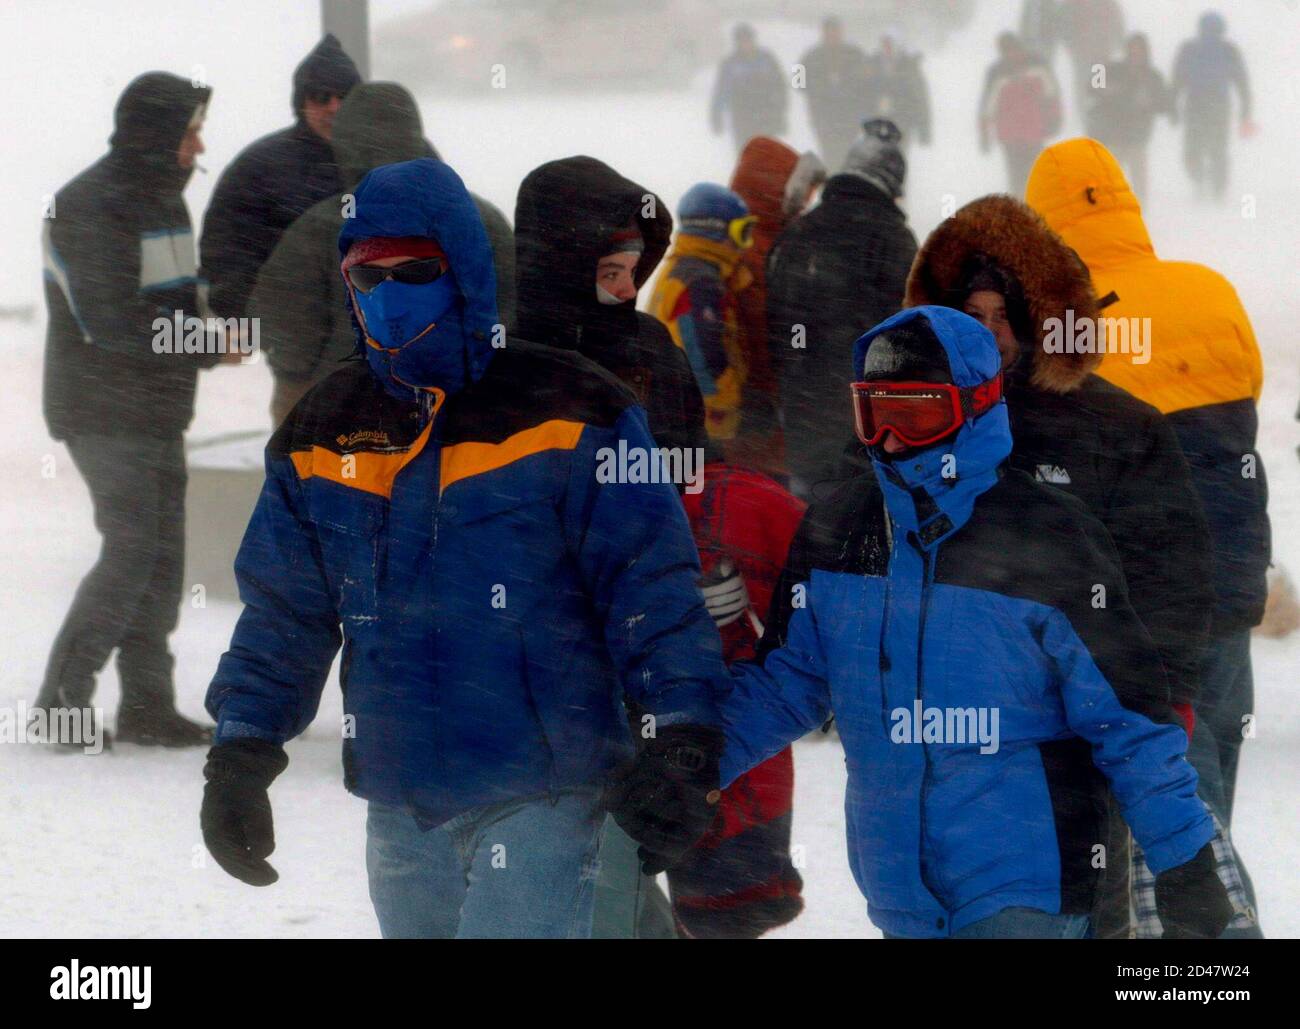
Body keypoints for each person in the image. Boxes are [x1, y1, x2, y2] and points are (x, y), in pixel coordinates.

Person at [200, 158, 729, 939]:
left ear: (461, 269)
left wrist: (682, 735)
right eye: (365, 273)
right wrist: (242, 751)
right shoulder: (326, 429)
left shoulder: (570, 407)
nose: (385, 291)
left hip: (549, 786)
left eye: (412, 269)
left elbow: (650, 585)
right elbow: (285, 612)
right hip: (400, 796)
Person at [718, 305, 1233, 939]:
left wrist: (1182, 855)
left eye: (917, 414)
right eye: (875, 414)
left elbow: (1126, 718)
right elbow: (786, 681)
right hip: (899, 885)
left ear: (975, 407)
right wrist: (687, 768)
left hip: (1028, 885)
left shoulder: (1049, 538)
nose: (893, 441)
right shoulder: (837, 529)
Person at [894, 193, 1216, 937]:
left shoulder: (1117, 429)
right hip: (935, 739)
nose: (991, 335)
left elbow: (1173, 574)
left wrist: (1168, 699)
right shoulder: (906, 429)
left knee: (1089, 911)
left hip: (1079, 742)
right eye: (971, 315)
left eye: (1006, 316)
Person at [1028, 137, 1269, 937]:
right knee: (1208, 809)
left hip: (1142, 621)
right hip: (1231, 600)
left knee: (1182, 851)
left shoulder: (1071, 330)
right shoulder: (1212, 292)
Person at [35, 72, 223, 748]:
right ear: (157, 133)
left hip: (158, 409)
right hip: (102, 411)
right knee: (132, 547)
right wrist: (206, 342)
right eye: (189, 129)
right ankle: (60, 705)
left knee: (161, 557)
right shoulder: (88, 204)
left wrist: (215, 328)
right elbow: (113, 321)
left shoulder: (167, 202)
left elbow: (179, 303)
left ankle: (147, 703)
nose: (199, 143)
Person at [247, 82, 514, 427]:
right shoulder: (480, 219)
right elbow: (508, 313)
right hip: (463, 409)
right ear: (415, 136)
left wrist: (298, 377)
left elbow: (287, 326)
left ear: (344, 146)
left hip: (348, 416)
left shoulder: (323, 225)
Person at [670, 461, 807, 938]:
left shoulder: (742, 500)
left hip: (730, 750)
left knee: (722, 910)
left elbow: (831, 629)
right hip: (609, 741)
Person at [513, 156, 704, 458]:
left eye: (633, 270)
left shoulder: (654, 345)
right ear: (564, 273)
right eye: (611, 274)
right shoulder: (508, 361)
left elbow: (694, 454)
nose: (630, 289)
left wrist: (718, 483)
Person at [765, 119, 917, 498]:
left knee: (814, 523)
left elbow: (777, 333)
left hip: (802, 418)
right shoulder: (893, 239)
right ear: (892, 186)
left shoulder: (796, 234)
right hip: (870, 425)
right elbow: (908, 334)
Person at [200, 34, 361, 320]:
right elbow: (227, 251)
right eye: (321, 96)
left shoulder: (394, 156)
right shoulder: (260, 166)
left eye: (344, 95)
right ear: (301, 102)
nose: (334, 106)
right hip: (300, 332)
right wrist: (255, 318)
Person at [726, 137, 825, 477]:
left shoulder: (767, 244)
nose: (804, 206)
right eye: (799, 196)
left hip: (764, 405)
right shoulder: (753, 252)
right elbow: (763, 327)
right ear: (772, 193)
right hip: (756, 407)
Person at [648, 183, 757, 443]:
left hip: (681, 415)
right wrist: (739, 406)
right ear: (714, 231)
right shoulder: (699, 284)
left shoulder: (682, 268)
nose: (746, 244)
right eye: (742, 232)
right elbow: (702, 363)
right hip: (706, 428)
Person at [1171, 11, 1253, 202]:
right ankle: (1217, 190)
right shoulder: (1229, 50)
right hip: (1219, 105)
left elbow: (1177, 79)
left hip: (1196, 104)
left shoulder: (1189, 49)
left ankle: (1201, 183)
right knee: (1217, 150)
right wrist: (1245, 113)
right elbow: (1242, 83)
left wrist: (1172, 107)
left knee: (1194, 149)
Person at [1084, 33, 1174, 200]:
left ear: (1146, 52)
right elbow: (1092, 89)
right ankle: (1108, 207)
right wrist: (1100, 68)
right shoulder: (1112, 69)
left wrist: (1151, 102)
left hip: (1139, 135)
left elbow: (1165, 104)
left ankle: (1139, 210)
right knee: (1109, 176)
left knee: (1138, 177)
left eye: (1139, 50)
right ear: (1127, 51)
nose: (1136, 54)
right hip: (1114, 133)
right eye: (1132, 49)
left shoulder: (1153, 76)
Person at [977, 32, 1062, 195]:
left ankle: (1033, 207)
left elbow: (1052, 96)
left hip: (1034, 130)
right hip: (1011, 135)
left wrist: (1055, 119)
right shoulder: (997, 73)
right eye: (1006, 51)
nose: (1010, 55)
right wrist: (984, 134)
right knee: (1017, 176)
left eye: (1012, 50)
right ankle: (1022, 208)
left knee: (1036, 174)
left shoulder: (1037, 66)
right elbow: (987, 107)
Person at [797, 16, 871, 172]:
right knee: (829, 154)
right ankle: (833, 185)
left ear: (841, 32)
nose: (832, 34)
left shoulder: (855, 54)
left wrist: (851, 90)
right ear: (823, 33)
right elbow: (797, 82)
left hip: (849, 115)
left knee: (848, 154)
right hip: (823, 116)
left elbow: (868, 81)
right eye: (828, 31)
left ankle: (847, 186)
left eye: (835, 31)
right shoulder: (810, 56)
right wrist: (818, 88)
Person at [709, 23, 788, 154]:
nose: (745, 43)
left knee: (767, 156)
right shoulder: (730, 63)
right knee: (746, 155)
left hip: (766, 116)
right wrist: (716, 116)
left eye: (748, 39)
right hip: (741, 118)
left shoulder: (767, 59)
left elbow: (779, 86)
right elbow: (721, 91)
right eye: (741, 40)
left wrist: (781, 113)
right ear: (737, 42)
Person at [1055, 0, 1126, 123]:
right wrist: (1071, 45)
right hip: (1083, 54)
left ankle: (1099, 114)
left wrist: (1118, 42)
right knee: (1083, 85)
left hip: (1100, 53)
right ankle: (1084, 116)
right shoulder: (1072, 4)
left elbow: (1117, 23)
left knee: (1098, 86)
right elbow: (1063, 25)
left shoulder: (1106, 4)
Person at [862, 32, 932, 154]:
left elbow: (920, 98)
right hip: (878, 123)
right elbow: (863, 94)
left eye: (891, 44)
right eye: (885, 44)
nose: (887, 48)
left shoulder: (909, 66)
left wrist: (924, 128)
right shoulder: (873, 64)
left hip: (902, 121)